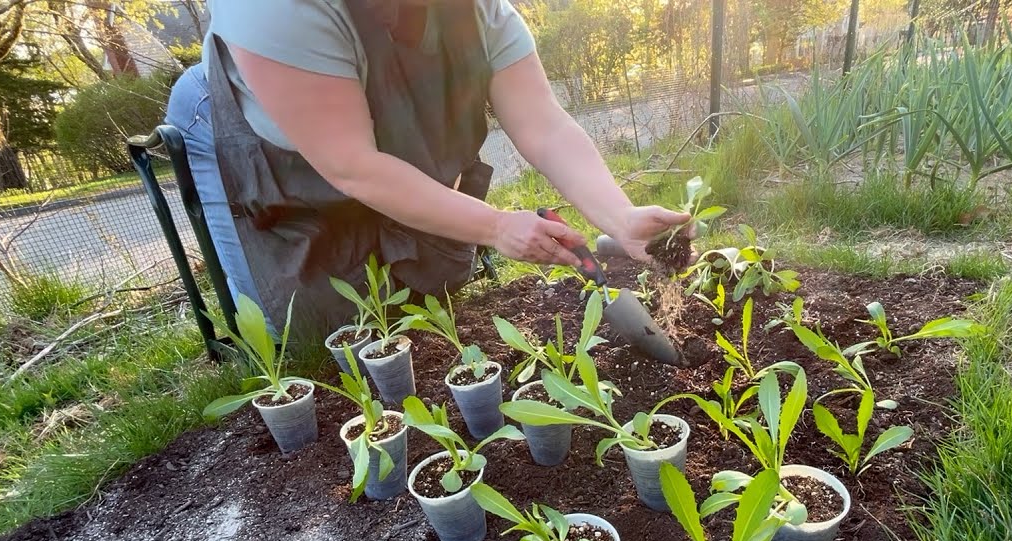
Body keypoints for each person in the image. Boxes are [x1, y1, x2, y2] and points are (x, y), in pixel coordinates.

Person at [164, 0, 691, 339]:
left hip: (369, 135)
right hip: (258, 127)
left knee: (421, 300)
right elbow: (353, 167)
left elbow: (543, 125)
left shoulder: (481, 14)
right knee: (309, 334)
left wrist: (620, 220)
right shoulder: (276, 10)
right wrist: (498, 226)